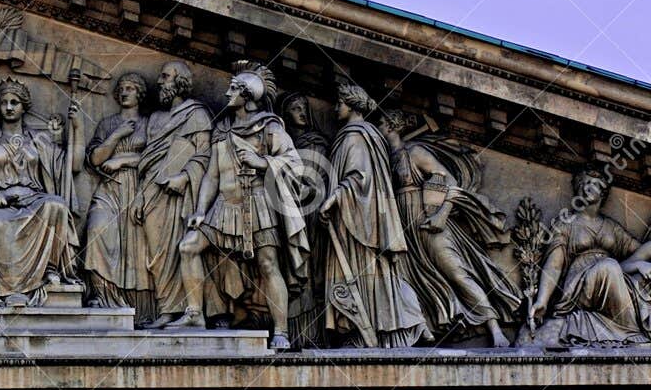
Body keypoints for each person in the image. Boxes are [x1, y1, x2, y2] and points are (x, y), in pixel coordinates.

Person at [171, 66, 309, 349]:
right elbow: (212, 174)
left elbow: (295, 164)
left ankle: (281, 331)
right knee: (188, 247)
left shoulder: (268, 127)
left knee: (268, 263)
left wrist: (263, 163)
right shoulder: (222, 129)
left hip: (257, 204)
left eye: (234, 89)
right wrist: (200, 210)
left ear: (247, 96)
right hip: (223, 206)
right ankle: (195, 313)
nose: (227, 93)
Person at [379, 111, 521, 346]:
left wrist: (441, 217)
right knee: (410, 279)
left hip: (430, 223)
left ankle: (495, 330)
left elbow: (452, 186)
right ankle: (431, 328)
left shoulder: (414, 152)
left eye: (381, 123)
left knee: (456, 272)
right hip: (404, 230)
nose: (378, 128)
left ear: (393, 125)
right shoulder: (385, 158)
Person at [319, 83, 427, 348]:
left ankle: (371, 330)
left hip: (359, 221)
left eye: (339, 103)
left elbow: (359, 177)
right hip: (360, 218)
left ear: (352, 105)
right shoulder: (363, 135)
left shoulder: (355, 135)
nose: (335, 108)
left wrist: (333, 198)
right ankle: (386, 326)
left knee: (365, 272)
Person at [0, 78, 81, 305]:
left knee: (56, 205)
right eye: (4, 103)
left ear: (24, 106)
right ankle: (9, 287)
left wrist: (78, 127)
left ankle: (50, 269)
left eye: (14, 102)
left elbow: (73, 166)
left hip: (34, 200)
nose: (8, 107)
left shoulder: (38, 141)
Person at [528, 167, 651, 347]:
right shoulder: (566, 224)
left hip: (613, 280)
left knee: (635, 274)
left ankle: (636, 328)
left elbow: (640, 252)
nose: (587, 187)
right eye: (583, 184)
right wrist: (542, 301)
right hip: (580, 285)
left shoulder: (612, 227)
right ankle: (632, 334)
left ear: (603, 191)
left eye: (593, 183)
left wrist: (641, 264)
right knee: (609, 266)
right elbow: (554, 265)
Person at [136, 62, 213, 328]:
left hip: (181, 194)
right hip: (151, 190)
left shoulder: (197, 114)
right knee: (156, 254)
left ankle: (191, 311)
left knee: (179, 248)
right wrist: (138, 195)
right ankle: (168, 309)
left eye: (165, 76)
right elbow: (145, 160)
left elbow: (205, 154)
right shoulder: (155, 119)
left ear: (180, 82)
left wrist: (184, 177)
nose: (159, 82)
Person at [82, 71, 150, 313]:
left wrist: (122, 160)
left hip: (139, 191)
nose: (124, 92)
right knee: (96, 230)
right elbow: (95, 158)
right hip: (109, 189)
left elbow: (157, 157)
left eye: (131, 88)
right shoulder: (108, 124)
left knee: (138, 247)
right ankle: (102, 294)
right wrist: (117, 136)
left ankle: (137, 307)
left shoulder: (149, 123)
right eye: (122, 88)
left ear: (140, 93)